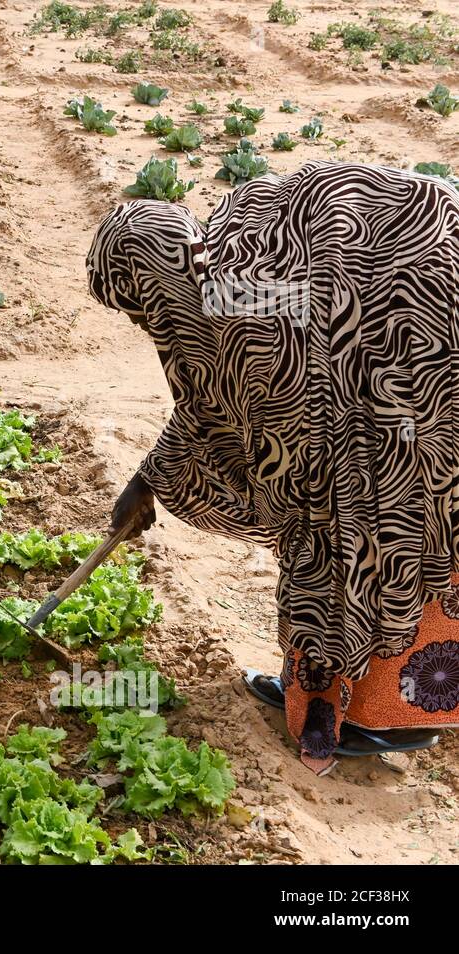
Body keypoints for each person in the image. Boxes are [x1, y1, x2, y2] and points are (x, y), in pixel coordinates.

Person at [88, 161, 459, 773]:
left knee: (342, 520)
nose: (147, 323)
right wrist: (149, 478)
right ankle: (403, 701)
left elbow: (256, 419)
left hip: (405, 324)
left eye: (140, 307)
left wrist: (154, 477)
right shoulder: (235, 249)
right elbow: (225, 398)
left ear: (153, 280)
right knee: (416, 497)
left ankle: (357, 713)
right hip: (429, 290)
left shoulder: (232, 304)